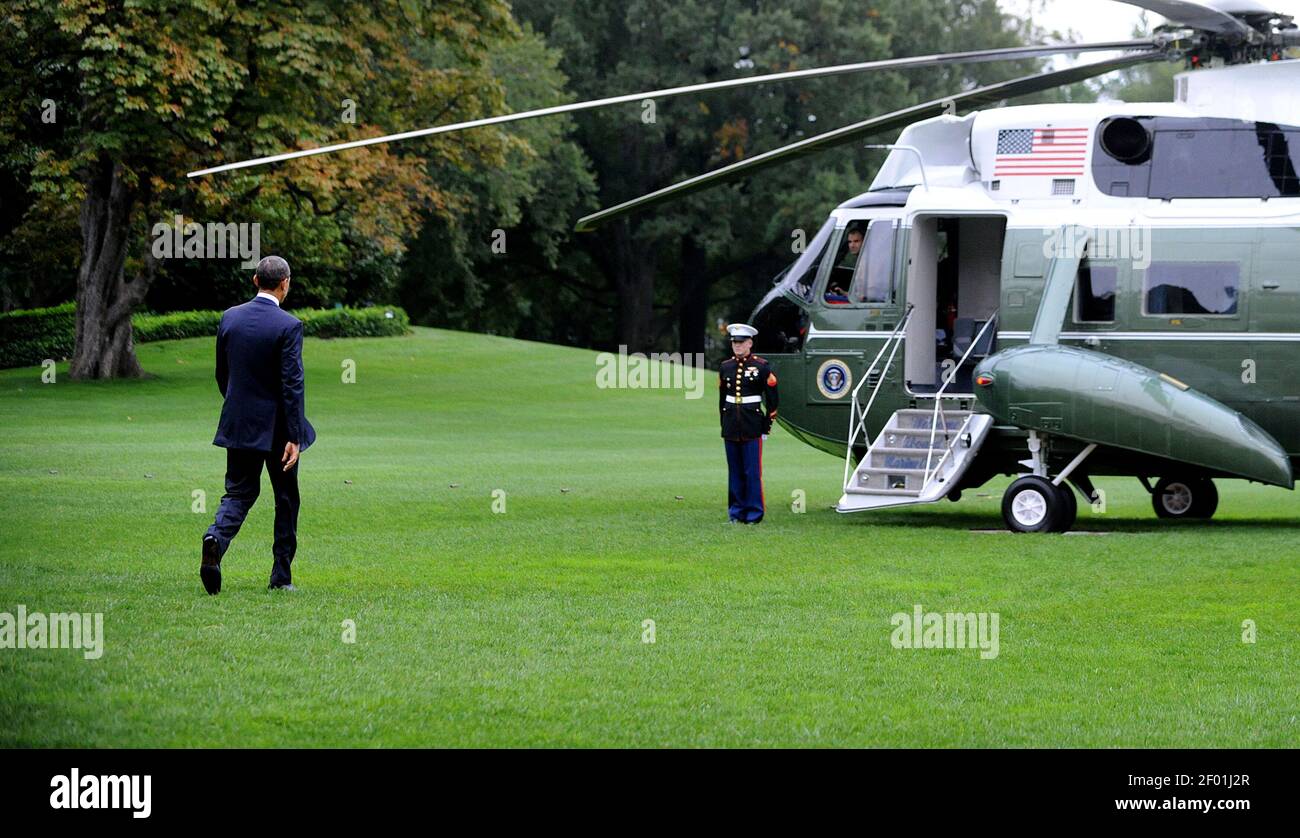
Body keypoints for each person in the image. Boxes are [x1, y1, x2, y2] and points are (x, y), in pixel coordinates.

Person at [200, 255, 316, 594]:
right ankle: (281, 577)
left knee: (238, 492)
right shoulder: (289, 325)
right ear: (285, 284)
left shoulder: (229, 318)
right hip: (279, 431)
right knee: (285, 499)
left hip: (239, 424)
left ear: (255, 281)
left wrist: (239, 406)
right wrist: (293, 435)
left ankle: (215, 540)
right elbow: (292, 384)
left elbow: (223, 375)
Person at [718, 323, 779, 524]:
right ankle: (736, 513)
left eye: (741, 342)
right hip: (731, 426)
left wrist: (766, 425)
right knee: (734, 472)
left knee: (752, 472)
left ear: (750, 343)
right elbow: (722, 400)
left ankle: (753, 513)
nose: (737, 346)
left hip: (752, 425)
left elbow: (772, 400)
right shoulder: (725, 367)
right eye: (734, 342)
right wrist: (724, 423)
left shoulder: (761, 366)